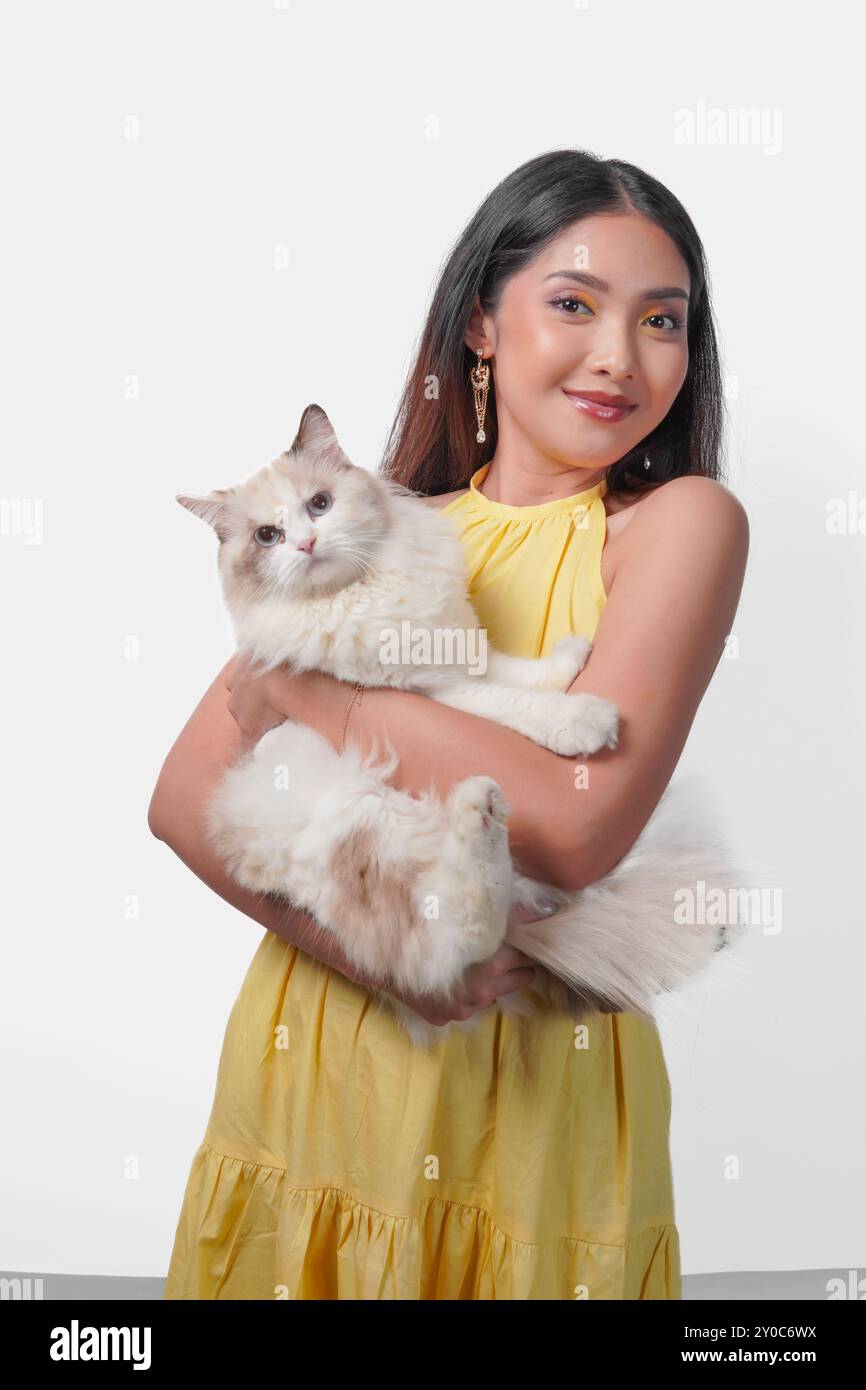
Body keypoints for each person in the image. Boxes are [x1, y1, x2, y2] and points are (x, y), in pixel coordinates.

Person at [150, 148, 749, 1300]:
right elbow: (179, 800)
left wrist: (305, 696)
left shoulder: (677, 525)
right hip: (325, 1044)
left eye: (661, 320)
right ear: (481, 323)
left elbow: (574, 830)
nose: (616, 356)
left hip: (529, 1085)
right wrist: (384, 967)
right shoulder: (373, 520)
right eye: (570, 304)